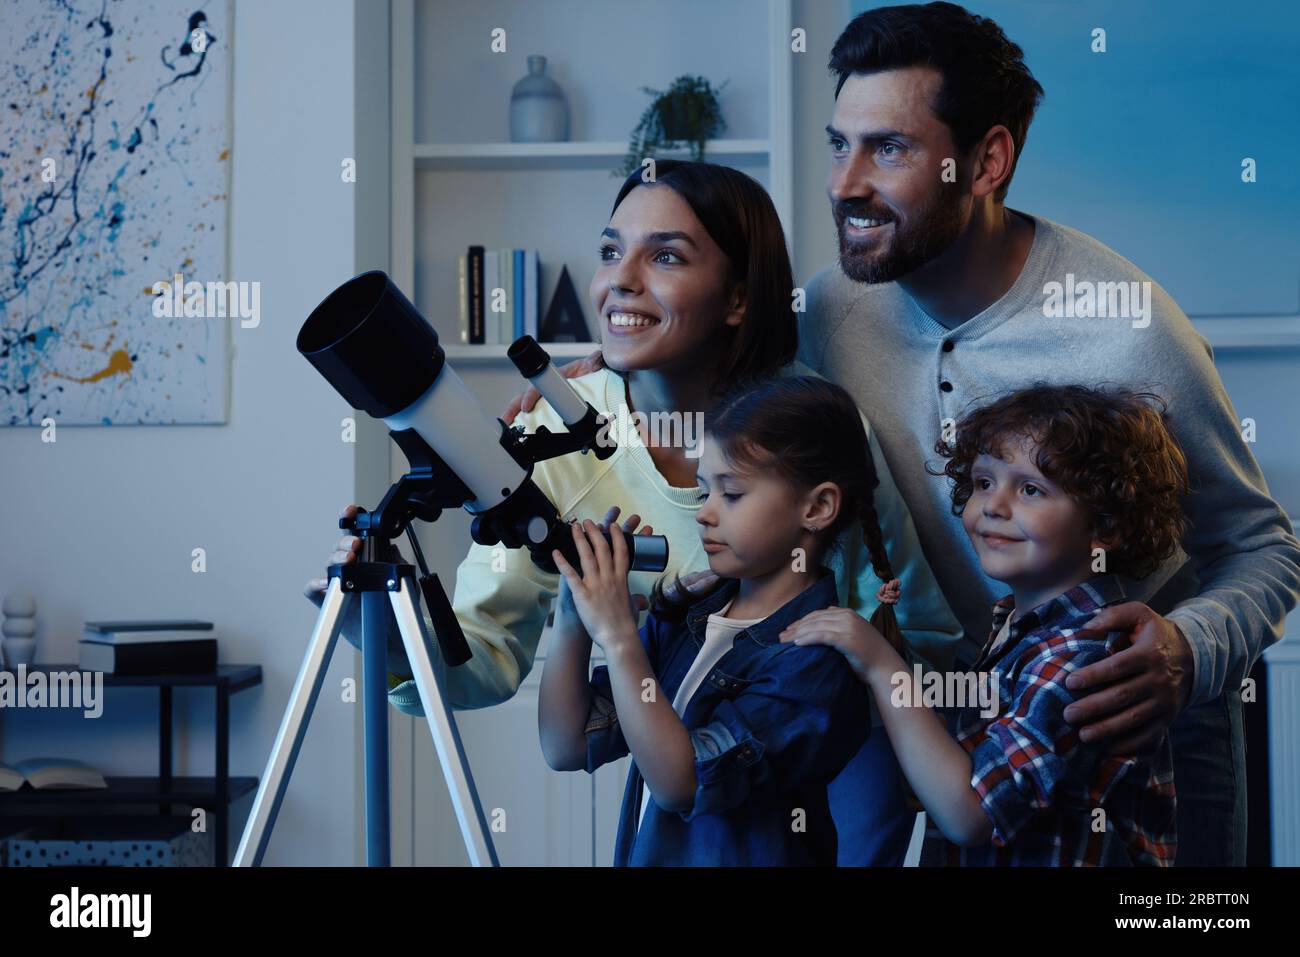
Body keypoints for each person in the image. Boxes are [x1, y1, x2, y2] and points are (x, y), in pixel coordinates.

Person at [505, 3, 1300, 865]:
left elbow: (1262, 546)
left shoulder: (1128, 329)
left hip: (1147, 730)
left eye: (890, 149)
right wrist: (607, 370)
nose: (846, 182)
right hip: (957, 731)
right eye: (838, 143)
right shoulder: (829, 311)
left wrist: (1190, 647)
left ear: (987, 160)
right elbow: (734, 376)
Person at [306, 160, 965, 865]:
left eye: (666, 256)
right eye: (611, 250)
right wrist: (387, 635)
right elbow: (490, 655)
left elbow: (917, 632)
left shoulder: (814, 431)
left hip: (830, 793)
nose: (619, 278)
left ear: (738, 297)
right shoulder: (550, 438)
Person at [782, 384, 1187, 865]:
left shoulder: (1084, 655)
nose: (993, 505)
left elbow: (972, 815)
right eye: (983, 482)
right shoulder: (1018, 624)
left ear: (1105, 528)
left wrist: (881, 666)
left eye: (1032, 489)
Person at [541, 376, 905, 865]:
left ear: (817, 507)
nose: (704, 514)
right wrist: (574, 617)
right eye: (702, 489)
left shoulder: (815, 659)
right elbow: (567, 744)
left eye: (730, 494)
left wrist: (619, 637)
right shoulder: (691, 619)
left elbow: (683, 783)